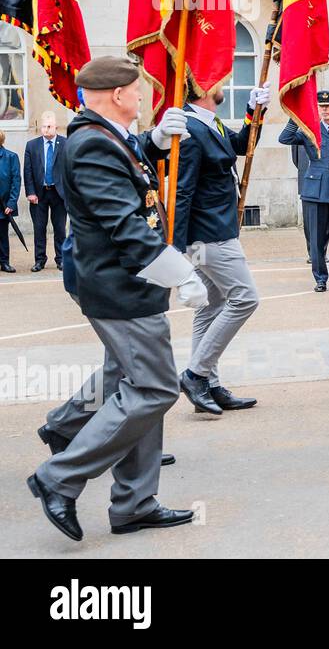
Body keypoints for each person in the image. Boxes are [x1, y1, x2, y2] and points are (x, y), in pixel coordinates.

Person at [27, 57, 208, 541]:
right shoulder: (91, 144)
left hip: (129, 281)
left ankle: (132, 501)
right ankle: (59, 478)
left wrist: (152, 142)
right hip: (120, 284)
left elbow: (131, 174)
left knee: (127, 380)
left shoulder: (107, 136)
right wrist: (180, 270)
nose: (143, 96)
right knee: (154, 389)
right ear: (117, 95)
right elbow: (124, 223)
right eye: (137, 89)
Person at [169, 79, 269, 416]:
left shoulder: (208, 121)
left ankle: (208, 382)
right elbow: (181, 191)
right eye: (217, 79)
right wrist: (175, 246)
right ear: (201, 89)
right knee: (244, 298)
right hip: (209, 235)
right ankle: (196, 373)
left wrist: (254, 111)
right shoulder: (190, 128)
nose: (224, 82)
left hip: (212, 230)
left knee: (210, 305)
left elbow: (240, 144)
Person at [279, 90, 329, 292]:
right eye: (321, 106)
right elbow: (284, 138)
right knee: (317, 239)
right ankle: (320, 278)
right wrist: (297, 117)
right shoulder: (309, 132)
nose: (325, 110)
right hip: (315, 191)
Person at [23, 111, 67, 272]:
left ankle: (61, 259)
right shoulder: (32, 145)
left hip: (59, 193)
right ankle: (39, 260)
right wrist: (30, 192)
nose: (46, 129)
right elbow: (27, 171)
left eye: (49, 126)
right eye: (43, 126)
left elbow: (69, 170)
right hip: (39, 194)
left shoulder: (65, 144)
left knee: (60, 229)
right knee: (39, 229)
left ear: (56, 127)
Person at [1, 129, 19, 273]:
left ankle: (4, 262)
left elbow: (16, 181)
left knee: (2, 235)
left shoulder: (11, 157)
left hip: (4, 205)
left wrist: (11, 203)